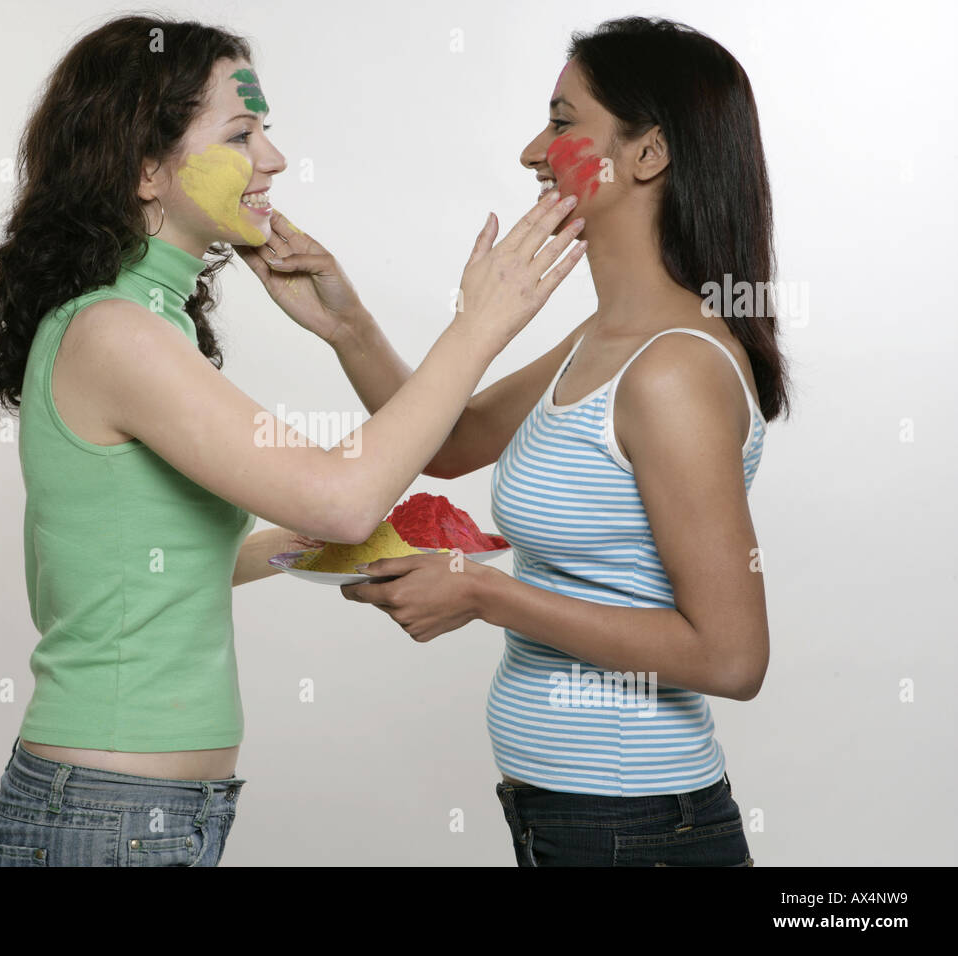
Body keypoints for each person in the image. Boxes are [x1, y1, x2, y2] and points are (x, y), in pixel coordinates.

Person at [0, 14, 588, 866]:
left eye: (267, 130)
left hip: (136, 810)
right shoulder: (116, 331)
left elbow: (157, 558)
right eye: (241, 132)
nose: (274, 158)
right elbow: (342, 494)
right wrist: (478, 327)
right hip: (106, 816)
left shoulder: (146, 319)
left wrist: (314, 535)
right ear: (147, 169)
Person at [254, 16, 788, 866]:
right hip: (573, 818)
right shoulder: (602, 337)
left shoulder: (671, 371)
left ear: (648, 153)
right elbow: (450, 442)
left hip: (638, 827)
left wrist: (484, 593)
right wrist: (345, 324)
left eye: (564, 119)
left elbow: (731, 657)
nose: (534, 149)